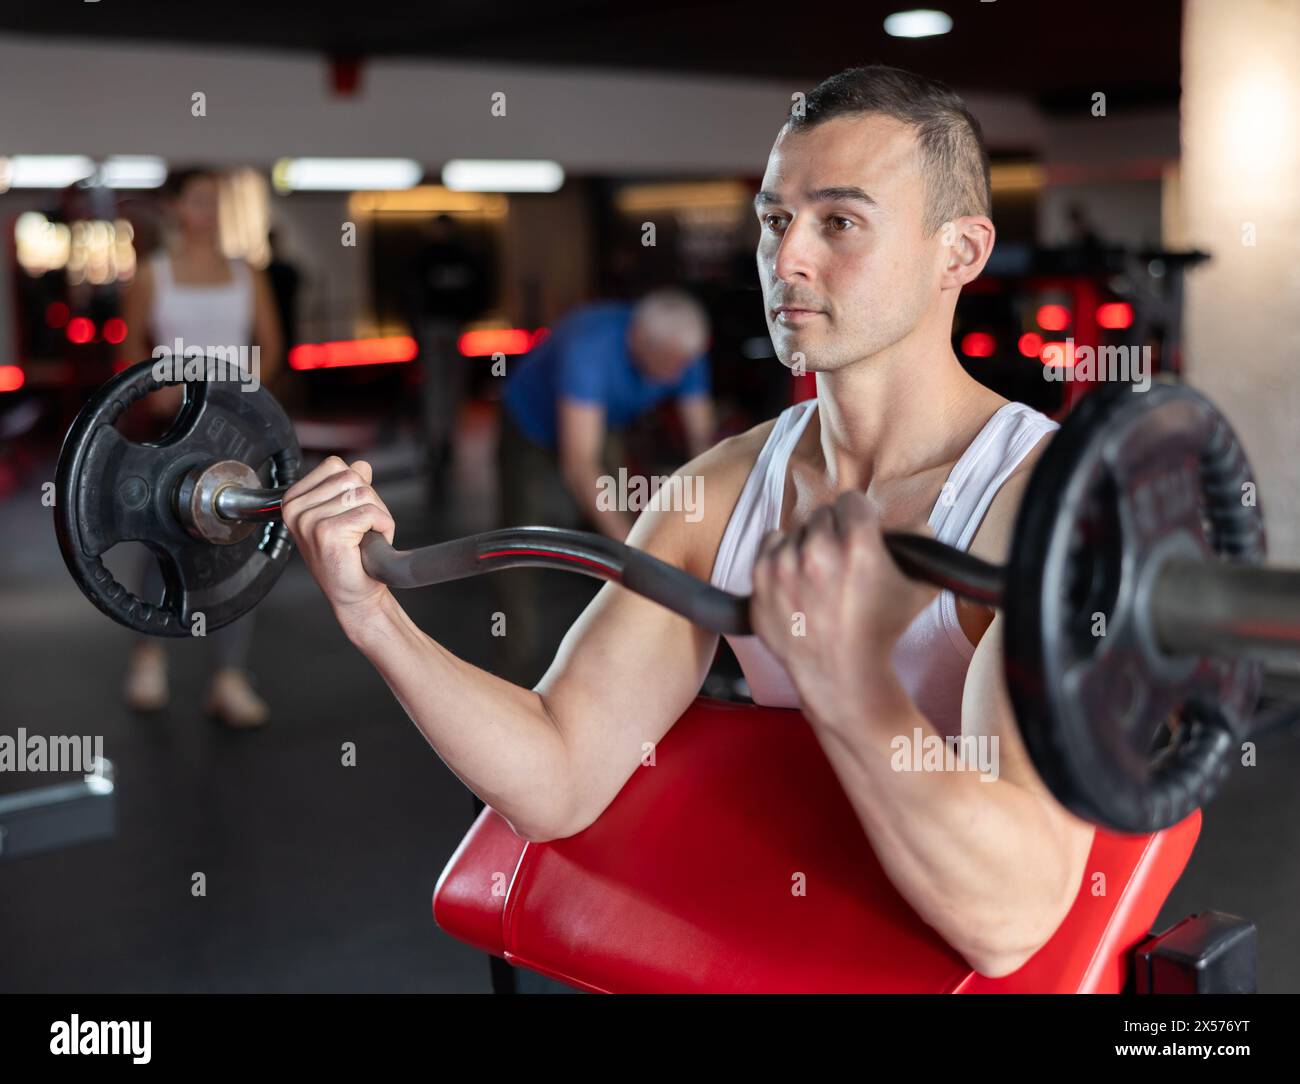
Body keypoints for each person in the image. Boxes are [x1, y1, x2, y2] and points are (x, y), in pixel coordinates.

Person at [280, 64, 1096, 989]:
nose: (786, 258)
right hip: (797, 940)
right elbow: (559, 771)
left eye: (840, 222)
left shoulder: (1035, 507)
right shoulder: (719, 492)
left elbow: (1012, 920)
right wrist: (375, 619)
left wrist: (851, 682)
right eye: (775, 220)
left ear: (961, 251)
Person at [118, 166, 284, 728]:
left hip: (234, 430)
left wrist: (246, 397)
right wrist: (160, 390)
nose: (209, 213)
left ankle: (229, 677)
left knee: (237, 548)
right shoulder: (152, 274)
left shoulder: (247, 272)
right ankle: (149, 656)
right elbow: (126, 358)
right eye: (198, 201)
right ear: (175, 208)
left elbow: (273, 347)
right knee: (161, 537)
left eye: (217, 202)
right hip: (174, 429)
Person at [493, 289, 715, 687]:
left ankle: (623, 641)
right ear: (639, 343)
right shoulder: (590, 349)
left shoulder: (683, 349)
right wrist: (637, 555)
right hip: (529, 425)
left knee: (624, 511)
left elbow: (704, 446)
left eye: (686, 365)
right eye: (670, 365)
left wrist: (708, 517)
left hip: (602, 418)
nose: (680, 376)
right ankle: (517, 665)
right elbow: (579, 466)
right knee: (520, 540)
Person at [405, 214, 489, 498]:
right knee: (441, 388)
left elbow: (411, 293)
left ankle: (441, 441)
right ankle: (439, 441)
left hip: (445, 327)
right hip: (442, 327)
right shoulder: (448, 257)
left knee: (444, 388)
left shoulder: (429, 257)